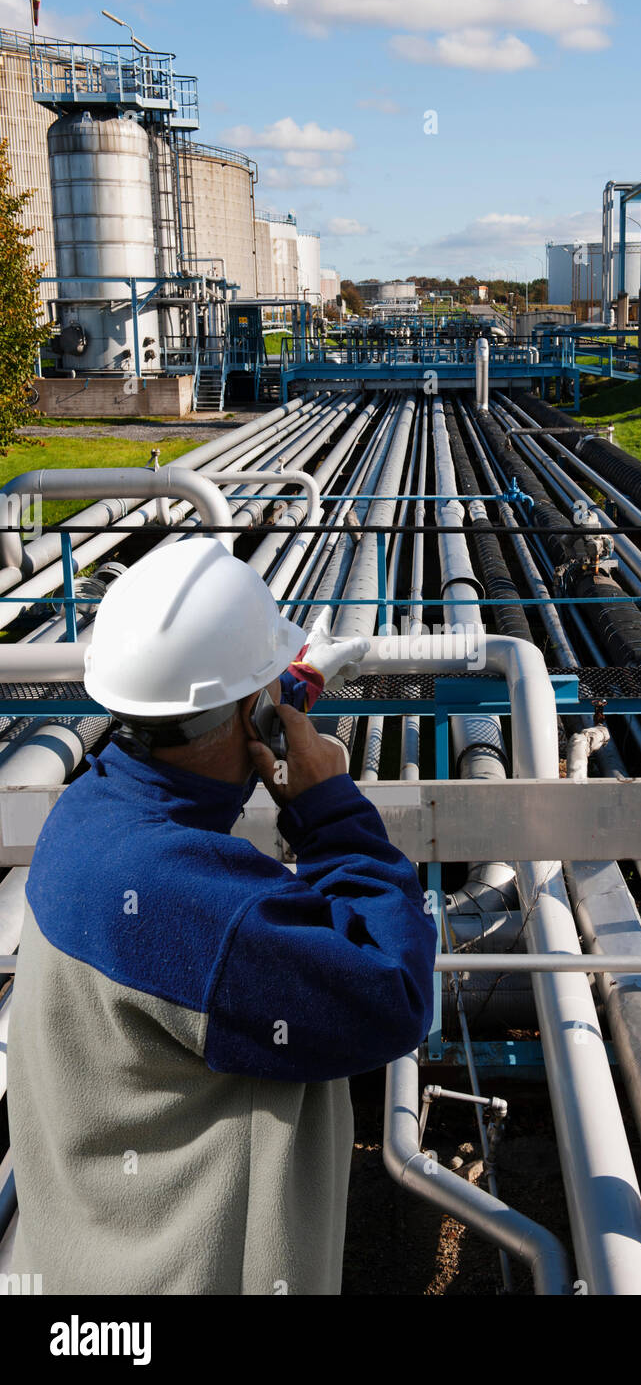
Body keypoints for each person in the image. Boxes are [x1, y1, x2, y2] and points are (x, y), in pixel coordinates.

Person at [7, 537, 437, 1295]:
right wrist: (330, 813)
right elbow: (393, 996)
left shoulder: (85, 811)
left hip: (83, 1265)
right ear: (251, 711)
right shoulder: (204, 905)